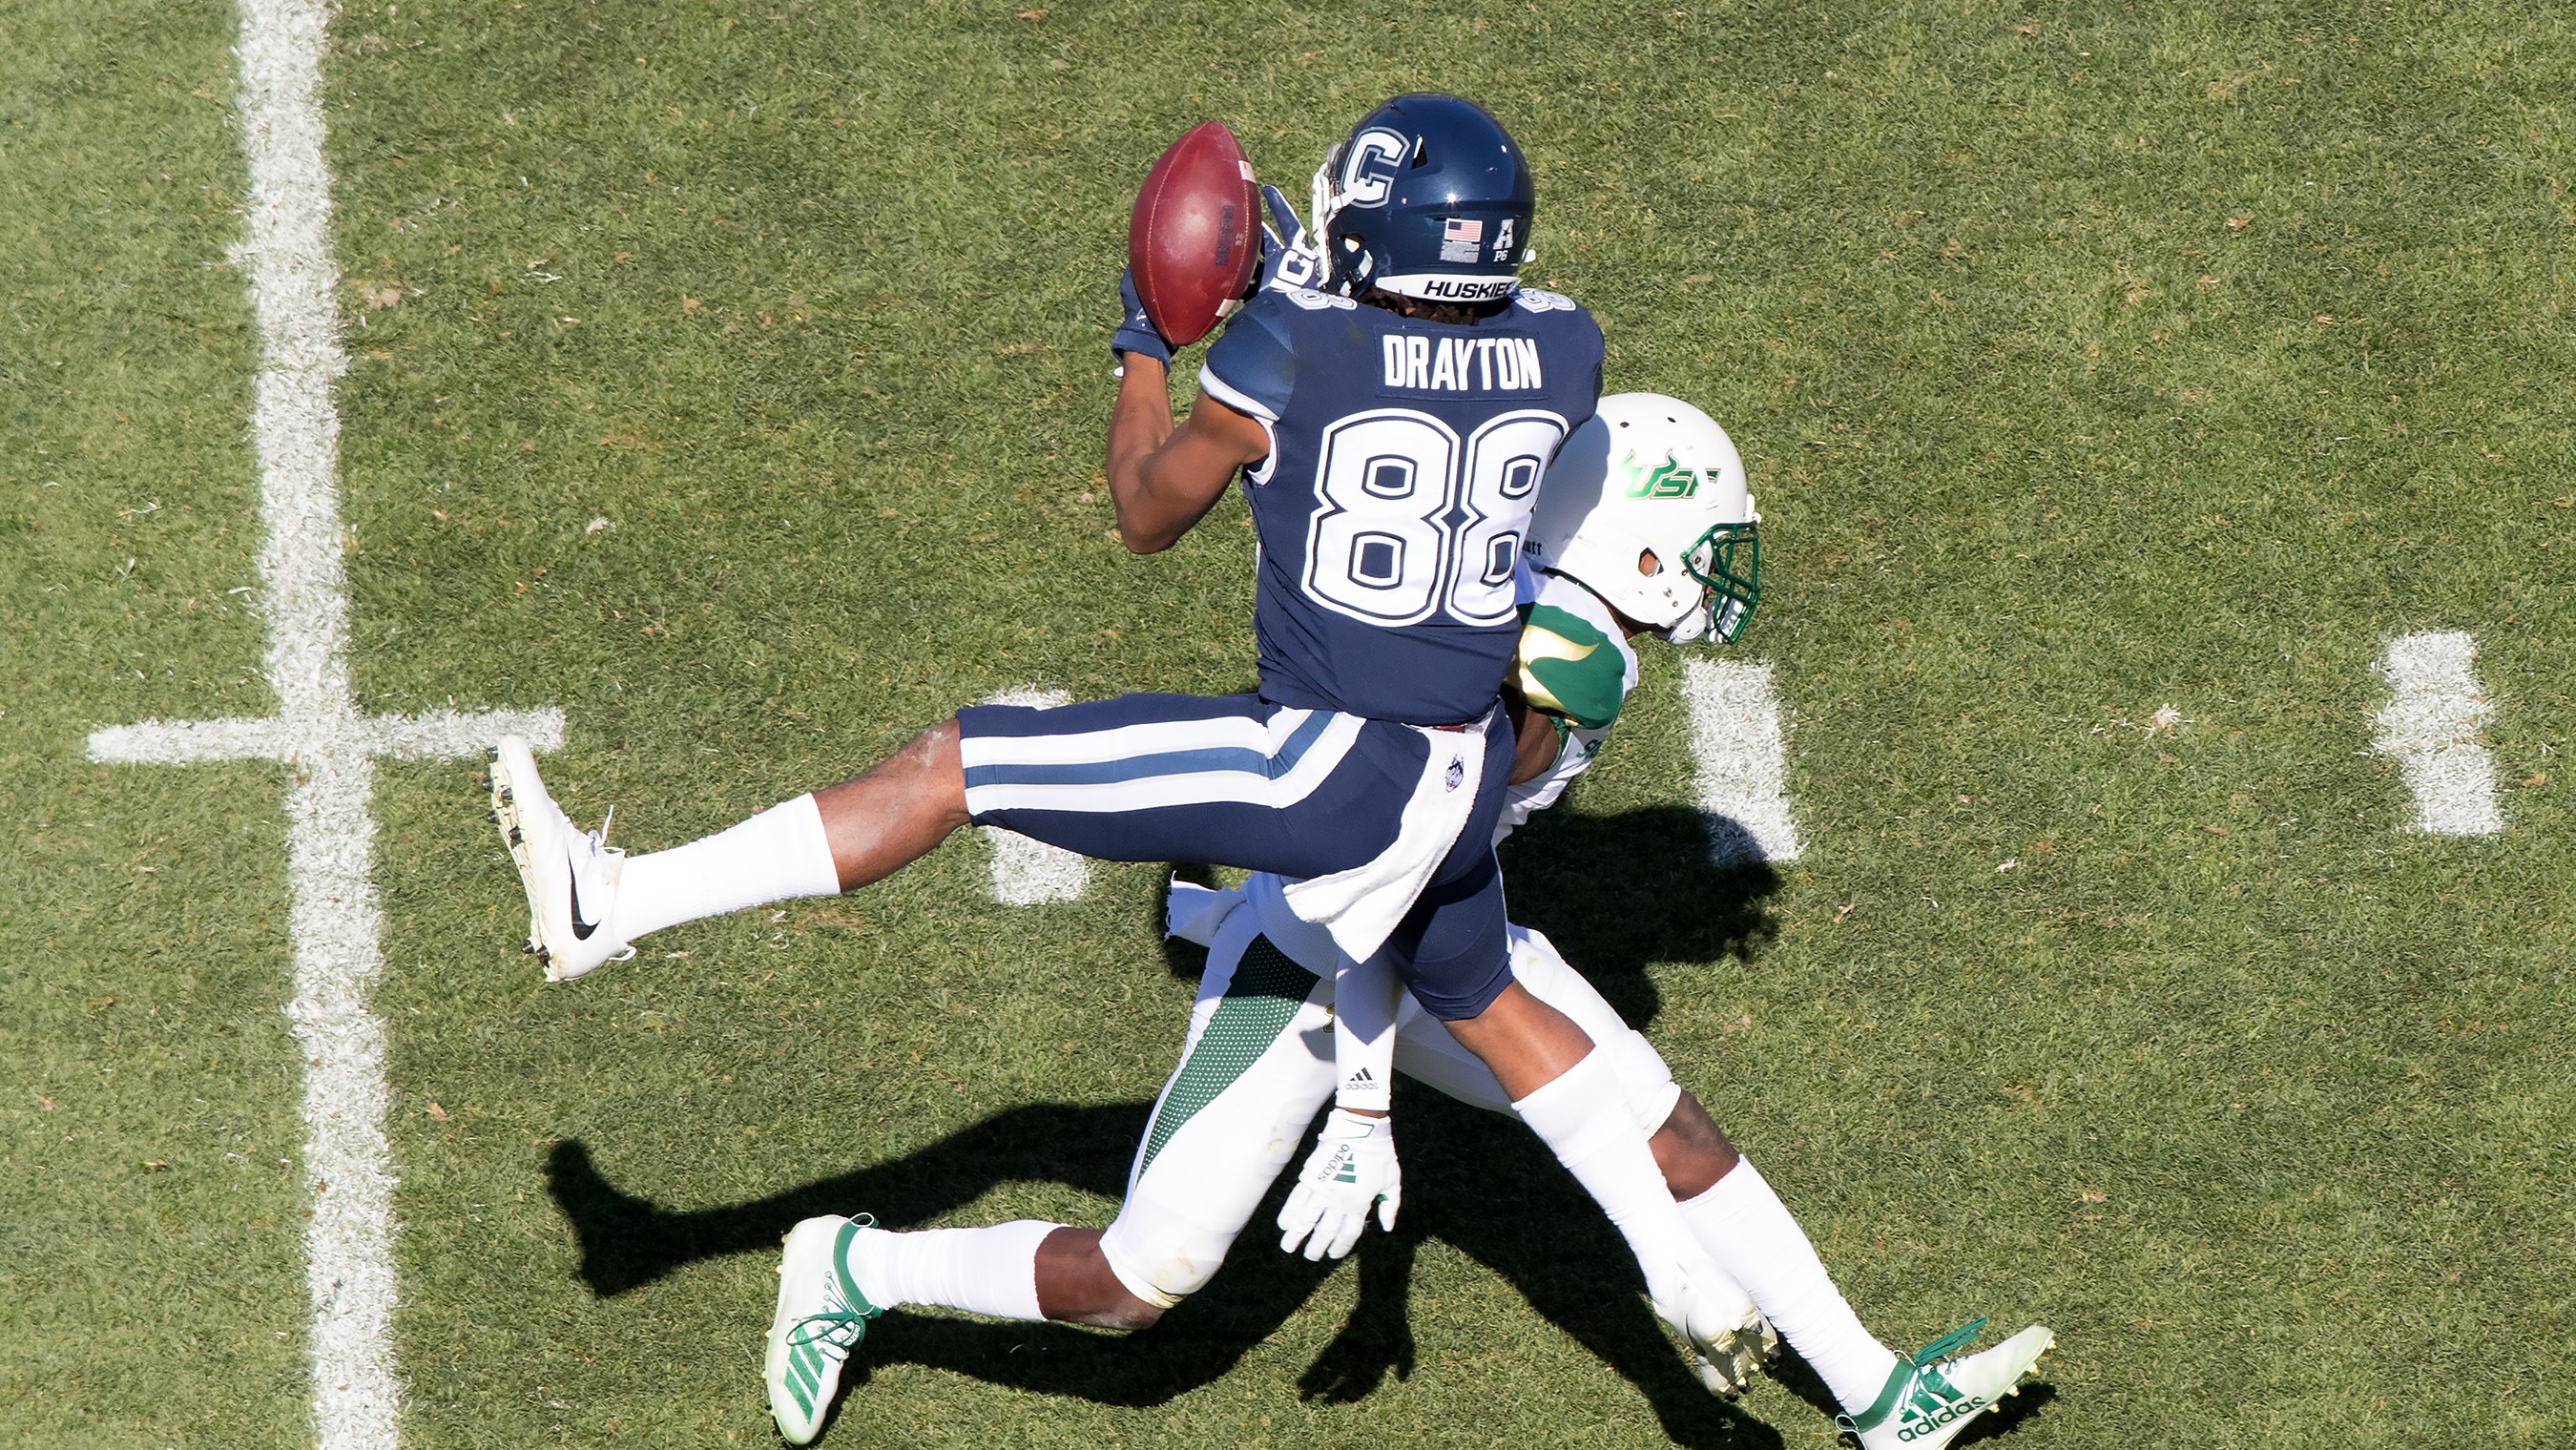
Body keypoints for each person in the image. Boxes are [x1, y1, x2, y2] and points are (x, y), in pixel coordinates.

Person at [486, 94, 1755, 1440]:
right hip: (1449, 775)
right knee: (1418, 1082)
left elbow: (1148, 509)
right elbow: (1430, 347)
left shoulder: (1287, 348)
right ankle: (1679, 1268)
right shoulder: (1565, 350)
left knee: (961, 763)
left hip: (1316, 769)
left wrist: (1146, 345)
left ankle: (613, 905)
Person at [760, 397, 2051, 1450]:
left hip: (1434, 933)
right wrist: (1364, 1108)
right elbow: (1377, 887)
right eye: (1702, 534)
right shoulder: (1524, 685)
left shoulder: (1564, 640)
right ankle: (853, 1270)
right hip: (1326, 951)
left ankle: (1883, 1399)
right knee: (1136, 1286)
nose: (1724, 561)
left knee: (1665, 1127)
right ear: (1630, 548)